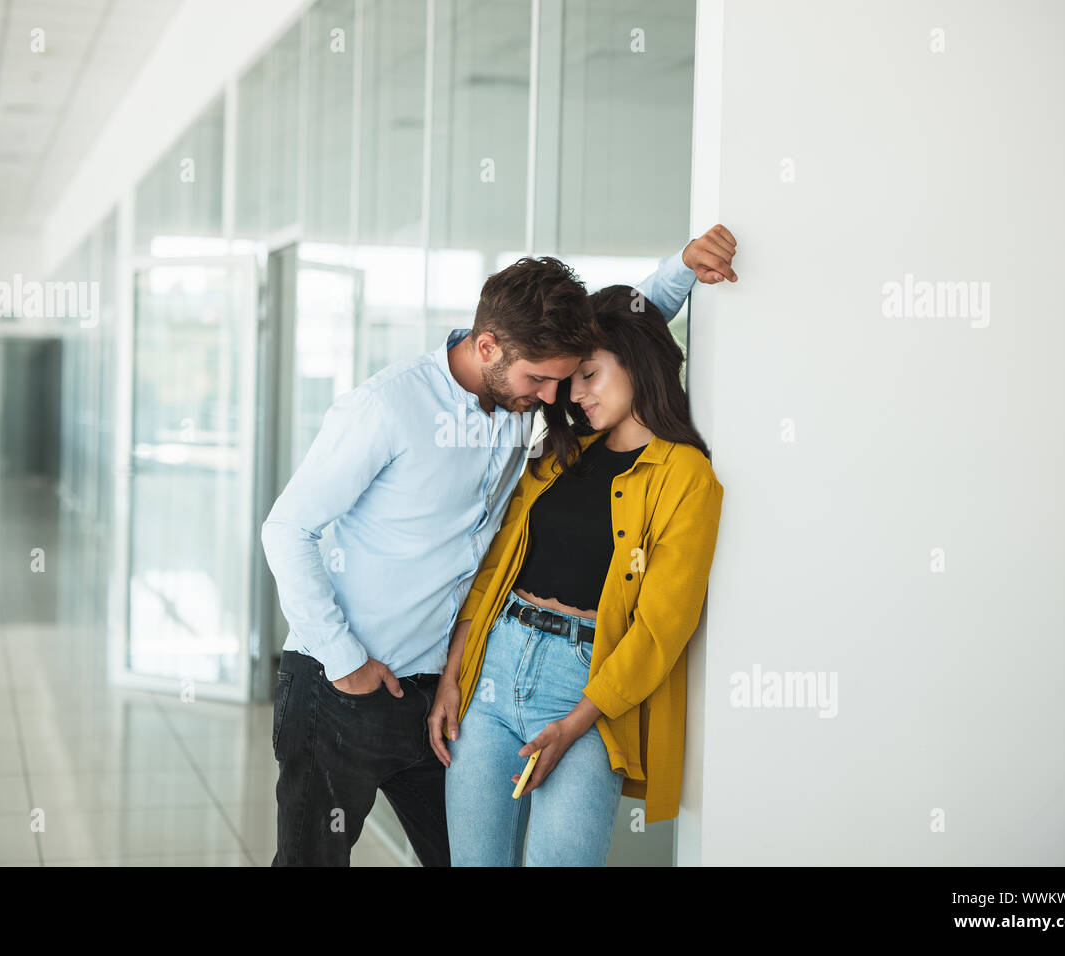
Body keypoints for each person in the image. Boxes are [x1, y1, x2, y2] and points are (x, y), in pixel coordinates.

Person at [262, 226, 738, 866]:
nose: (553, 400)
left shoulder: (527, 395)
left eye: (564, 380)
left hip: (441, 691)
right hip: (340, 681)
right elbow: (286, 528)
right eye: (542, 380)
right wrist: (345, 659)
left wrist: (682, 266)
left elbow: (623, 331)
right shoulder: (386, 407)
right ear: (487, 347)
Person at [429, 275, 727, 866]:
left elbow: (661, 630)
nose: (576, 395)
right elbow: (492, 576)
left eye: (589, 375)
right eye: (571, 382)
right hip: (493, 674)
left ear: (639, 361)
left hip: (589, 700)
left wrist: (573, 724)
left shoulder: (687, 477)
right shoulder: (561, 454)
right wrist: (451, 678)